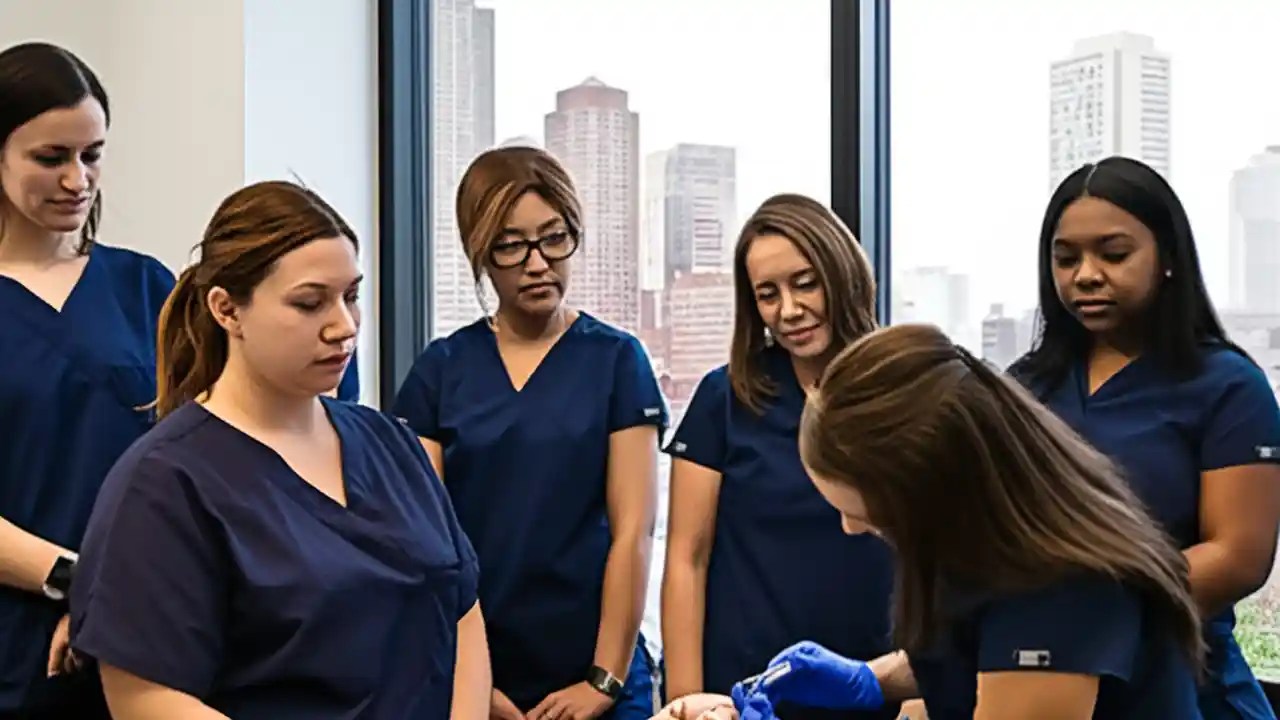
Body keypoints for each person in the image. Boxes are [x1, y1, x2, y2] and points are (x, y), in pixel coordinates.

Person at [69, 181, 490, 719]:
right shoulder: (165, 485)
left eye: (352, 296)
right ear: (227, 310)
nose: (344, 326)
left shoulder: (392, 446)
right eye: (310, 303)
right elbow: (146, 698)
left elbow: (462, 609)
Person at [655, 323, 1207, 719]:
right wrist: (871, 679)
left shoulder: (1061, 591)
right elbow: (971, 648)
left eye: (864, 514)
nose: (852, 530)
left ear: (933, 488)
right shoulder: (977, 543)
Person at [393, 146, 666, 720]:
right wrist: (473, 682)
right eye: (511, 245)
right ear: (481, 253)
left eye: (554, 238)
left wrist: (604, 680)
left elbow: (633, 534)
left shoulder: (618, 360)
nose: (538, 263)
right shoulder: (440, 371)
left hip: (598, 670)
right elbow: (426, 548)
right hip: (476, 671)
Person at [1009, 156, 1280, 719]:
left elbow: (1238, 558)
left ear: (1168, 260)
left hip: (1187, 686)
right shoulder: (1024, 387)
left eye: (1113, 254)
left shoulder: (1229, 386)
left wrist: (1087, 608)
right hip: (1044, 686)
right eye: (1066, 258)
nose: (1085, 274)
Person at [660, 194, 896, 720]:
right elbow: (685, 559)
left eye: (805, 283)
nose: (788, 310)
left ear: (842, 273)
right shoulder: (725, 398)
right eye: (768, 294)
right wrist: (685, 703)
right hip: (746, 695)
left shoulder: (902, 389)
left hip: (879, 685)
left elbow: (944, 555)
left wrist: (923, 689)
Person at [0, 41, 173, 719]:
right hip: (23, 645)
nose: (78, 179)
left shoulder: (146, 288)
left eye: (92, 154)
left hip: (155, 630)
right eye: (51, 158)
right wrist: (79, 583)